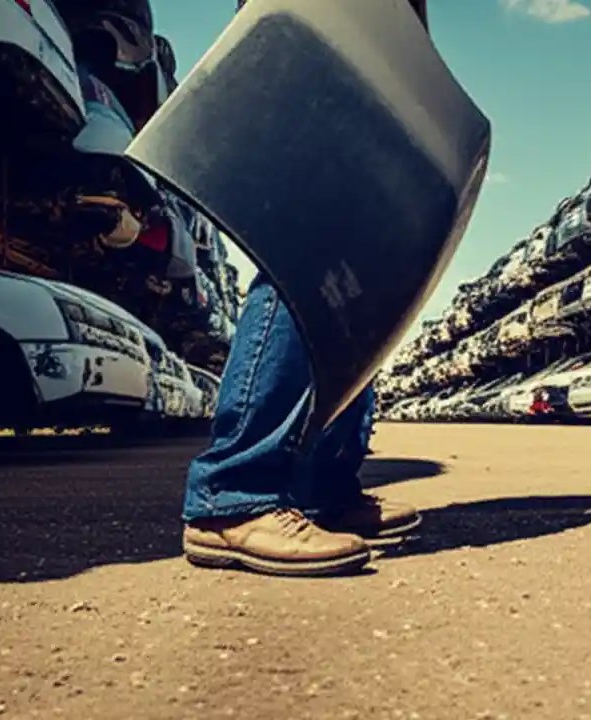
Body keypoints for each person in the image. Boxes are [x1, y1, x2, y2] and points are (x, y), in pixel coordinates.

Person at [182, 0, 432, 577]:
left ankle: (322, 484)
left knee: (360, 274)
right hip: (323, 37)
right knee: (309, 252)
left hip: (374, 51)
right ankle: (234, 495)